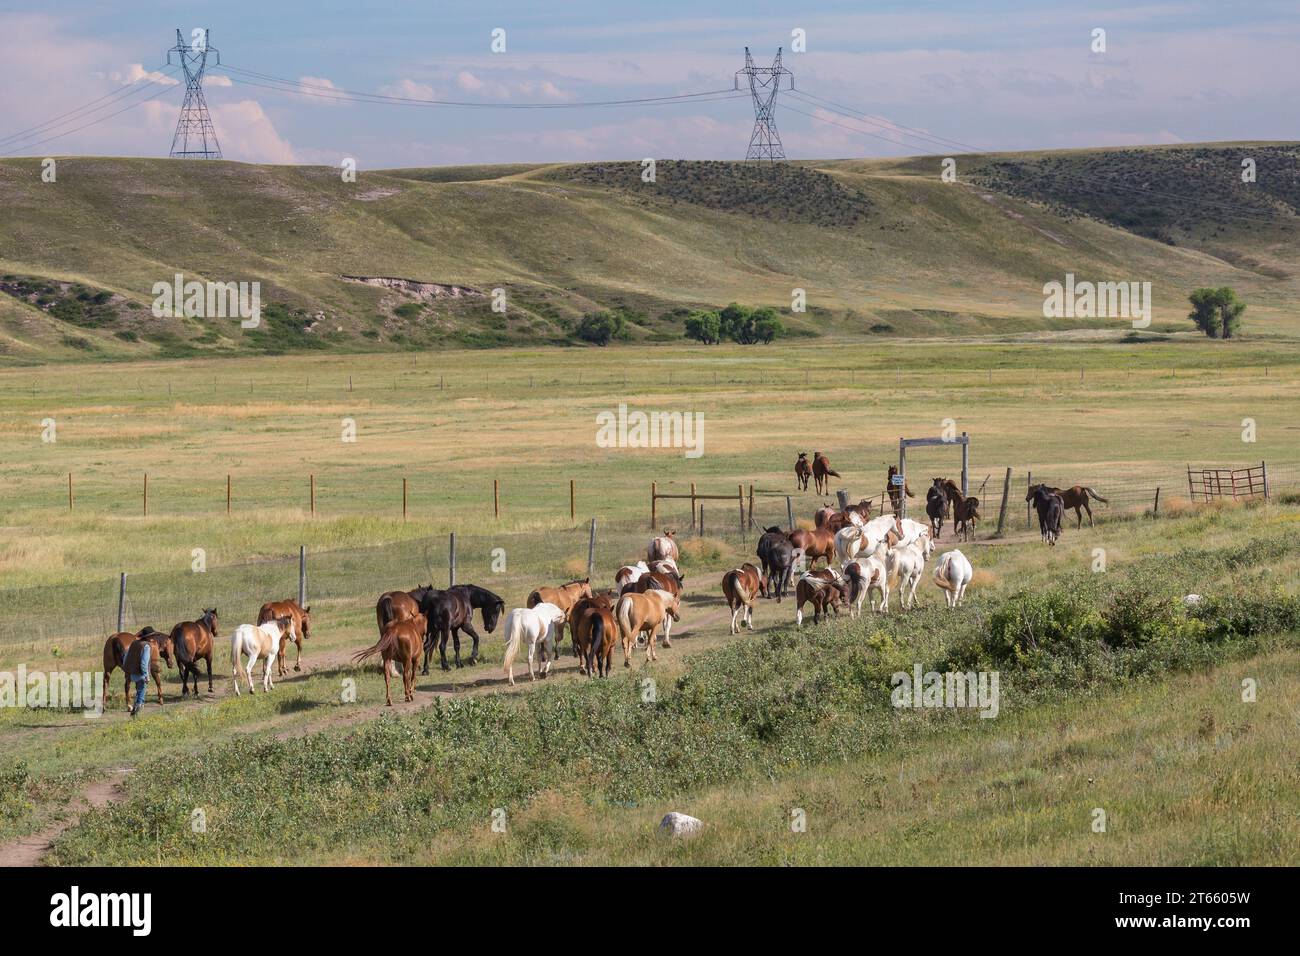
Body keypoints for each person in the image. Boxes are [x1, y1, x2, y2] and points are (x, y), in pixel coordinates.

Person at [126, 633, 153, 717]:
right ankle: (136, 715)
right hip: (141, 674)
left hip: (133, 673)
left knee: (139, 692)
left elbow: (126, 657)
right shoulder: (146, 646)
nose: (152, 638)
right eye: (152, 636)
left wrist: (128, 669)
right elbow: (144, 663)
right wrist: (146, 675)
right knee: (141, 697)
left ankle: (135, 713)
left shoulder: (134, 643)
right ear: (148, 637)